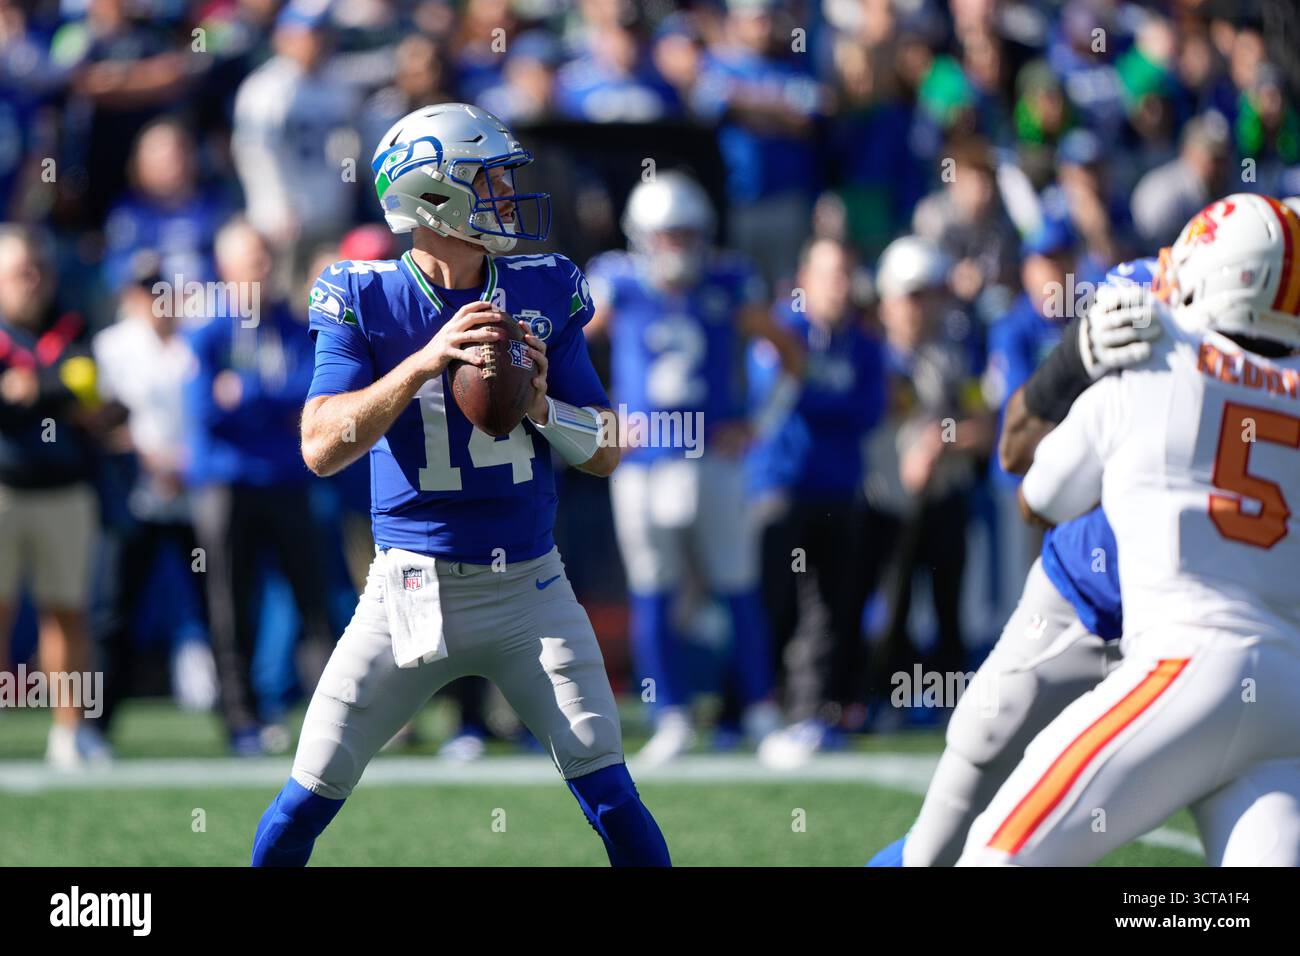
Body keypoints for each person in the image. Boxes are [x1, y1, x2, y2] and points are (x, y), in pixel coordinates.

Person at [251, 102, 670, 867]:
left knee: (611, 792)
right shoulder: (363, 293)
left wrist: (542, 405)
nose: (508, 195)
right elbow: (319, 447)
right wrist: (419, 363)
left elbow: (606, 452)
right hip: (407, 591)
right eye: (489, 180)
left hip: (531, 590)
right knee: (307, 794)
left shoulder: (546, 287)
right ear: (432, 196)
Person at [962, 194, 1300, 866]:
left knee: (996, 857)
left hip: (1184, 661)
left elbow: (1037, 495)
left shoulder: (1156, 354)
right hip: (1288, 695)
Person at [869, 254, 1163, 866]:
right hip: (1104, 606)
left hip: (1166, 629)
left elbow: (1035, 491)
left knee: (1021, 828)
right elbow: (1024, 474)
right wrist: (1072, 369)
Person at [585, 170, 803, 765]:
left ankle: (760, 712)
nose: (678, 248)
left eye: (686, 235)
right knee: (652, 590)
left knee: (737, 586)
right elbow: (564, 347)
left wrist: (758, 423)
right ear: (641, 237)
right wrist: (596, 417)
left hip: (712, 456)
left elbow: (789, 354)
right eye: (667, 236)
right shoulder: (618, 282)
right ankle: (672, 716)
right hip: (644, 462)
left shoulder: (729, 281)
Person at [185, 219, 333, 755]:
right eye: (250, 257)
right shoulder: (208, 329)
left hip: (287, 480)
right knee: (230, 604)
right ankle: (241, 719)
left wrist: (246, 393)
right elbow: (204, 411)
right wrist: (268, 399)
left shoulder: (292, 324)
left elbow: (307, 398)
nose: (261, 268)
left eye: (265, 257)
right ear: (225, 267)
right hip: (227, 484)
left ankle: (330, 718)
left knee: (312, 600)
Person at [749, 236, 887, 767]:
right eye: (830, 274)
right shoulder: (784, 331)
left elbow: (869, 409)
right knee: (774, 603)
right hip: (782, 487)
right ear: (805, 278)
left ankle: (810, 713)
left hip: (839, 490)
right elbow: (782, 395)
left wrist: (820, 396)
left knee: (832, 608)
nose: (840, 285)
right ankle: (757, 706)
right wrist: (830, 400)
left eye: (847, 274)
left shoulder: (864, 343)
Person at [0, 224, 111, 767]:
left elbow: (87, 386)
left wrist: (34, 389)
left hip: (65, 491)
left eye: (37, 270)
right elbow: (63, 389)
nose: (33, 281)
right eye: (21, 272)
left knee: (66, 613)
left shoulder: (72, 322)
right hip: (4, 491)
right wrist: (57, 389)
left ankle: (71, 731)